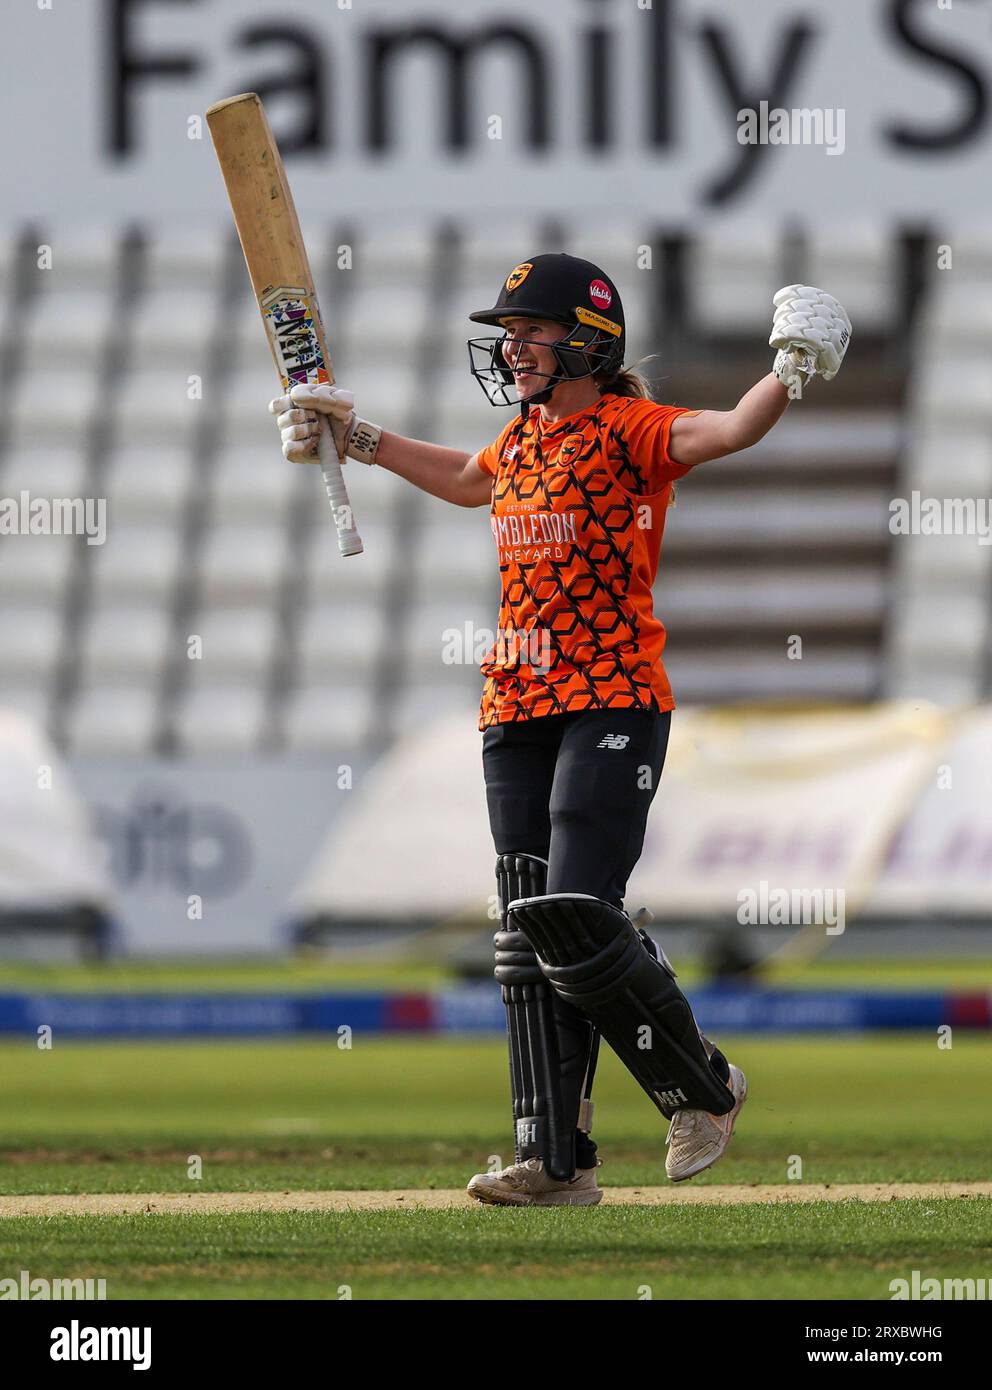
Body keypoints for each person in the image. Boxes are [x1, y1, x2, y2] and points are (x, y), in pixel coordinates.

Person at [269, 253, 852, 1207]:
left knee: (575, 914)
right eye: (508, 331)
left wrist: (789, 366)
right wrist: (355, 434)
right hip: (515, 703)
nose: (511, 346)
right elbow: (466, 478)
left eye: (530, 331)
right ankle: (556, 1162)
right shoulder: (523, 437)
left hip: (613, 694)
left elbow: (733, 430)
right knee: (526, 933)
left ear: (586, 340)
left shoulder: (630, 430)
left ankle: (703, 1087)